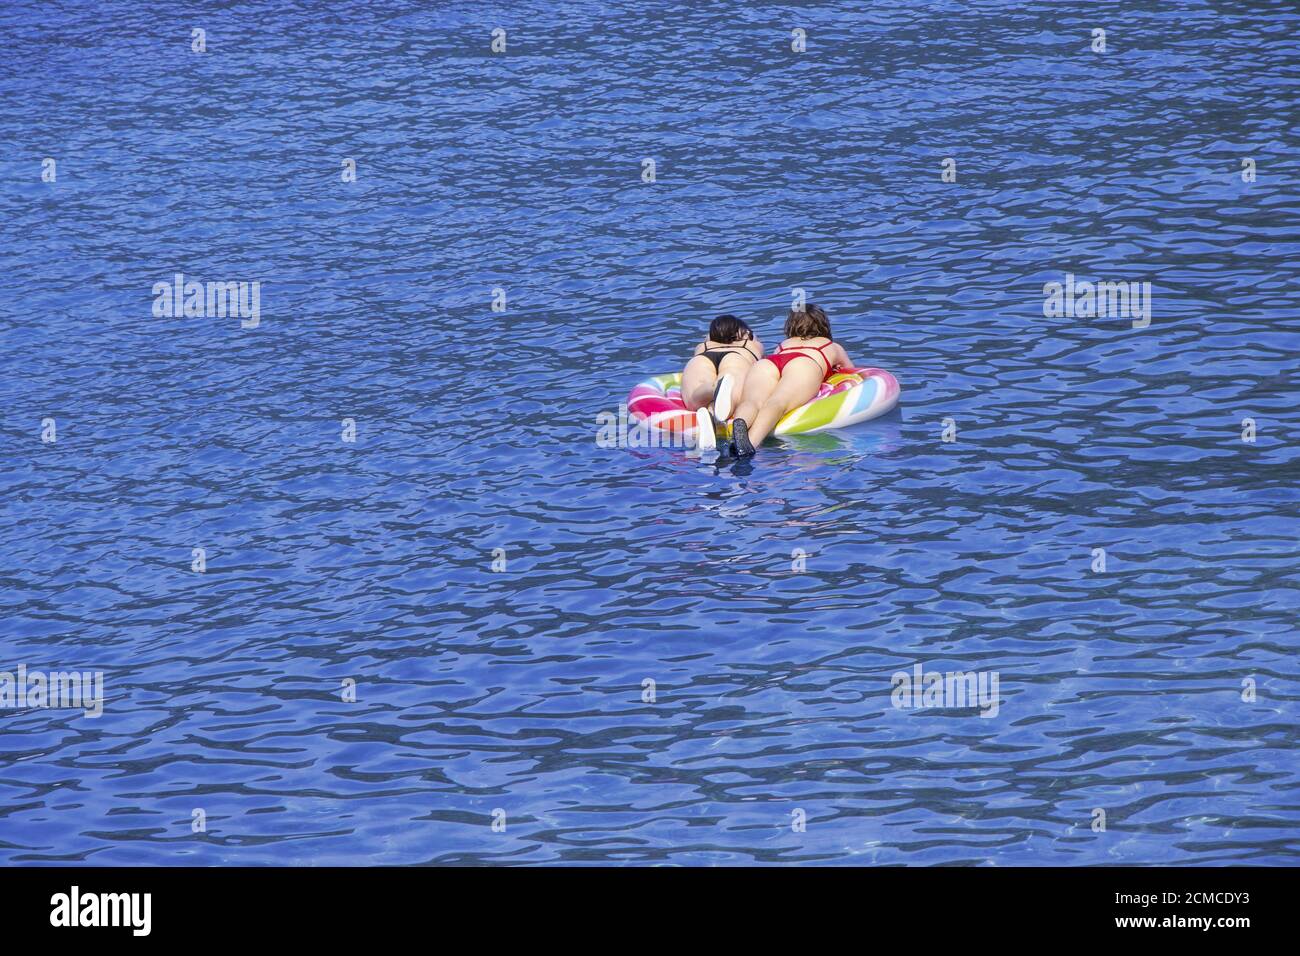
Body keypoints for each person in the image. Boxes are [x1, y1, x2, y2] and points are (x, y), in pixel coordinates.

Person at [729, 304, 853, 456]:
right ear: (824, 324)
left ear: (791, 325)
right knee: (777, 402)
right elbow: (852, 374)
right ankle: (749, 446)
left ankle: (741, 421)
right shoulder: (832, 346)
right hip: (804, 364)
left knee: (752, 402)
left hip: (770, 362)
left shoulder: (783, 345)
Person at [680, 315, 764, 450]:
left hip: (702, 359)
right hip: (737, 357)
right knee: (734, 396)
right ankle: (722, 400)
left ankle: (713, 391)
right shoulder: (751, 344)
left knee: (693, 400)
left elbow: (708, 336)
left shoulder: (703, 345)